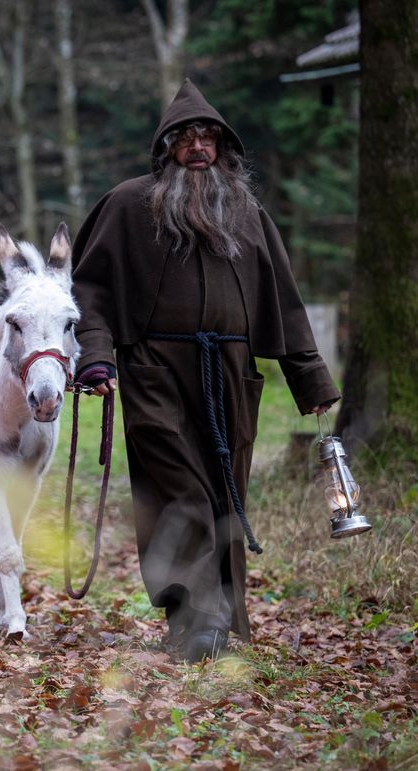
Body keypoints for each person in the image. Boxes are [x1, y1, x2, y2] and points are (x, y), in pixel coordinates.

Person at [72, 79, 339, 663]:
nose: (197, 146)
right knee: (179, 486)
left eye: (208, 137)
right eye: (185, 137)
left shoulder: (247, 213)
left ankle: (213, 622)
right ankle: (202, 615)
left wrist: (310, 379)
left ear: (223, 148)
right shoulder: (126, 206)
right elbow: (88, 290)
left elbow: (284, 300)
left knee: (224, 493)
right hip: (152, 367)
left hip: (231, 372)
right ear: (166, 146)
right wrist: (95, 356)